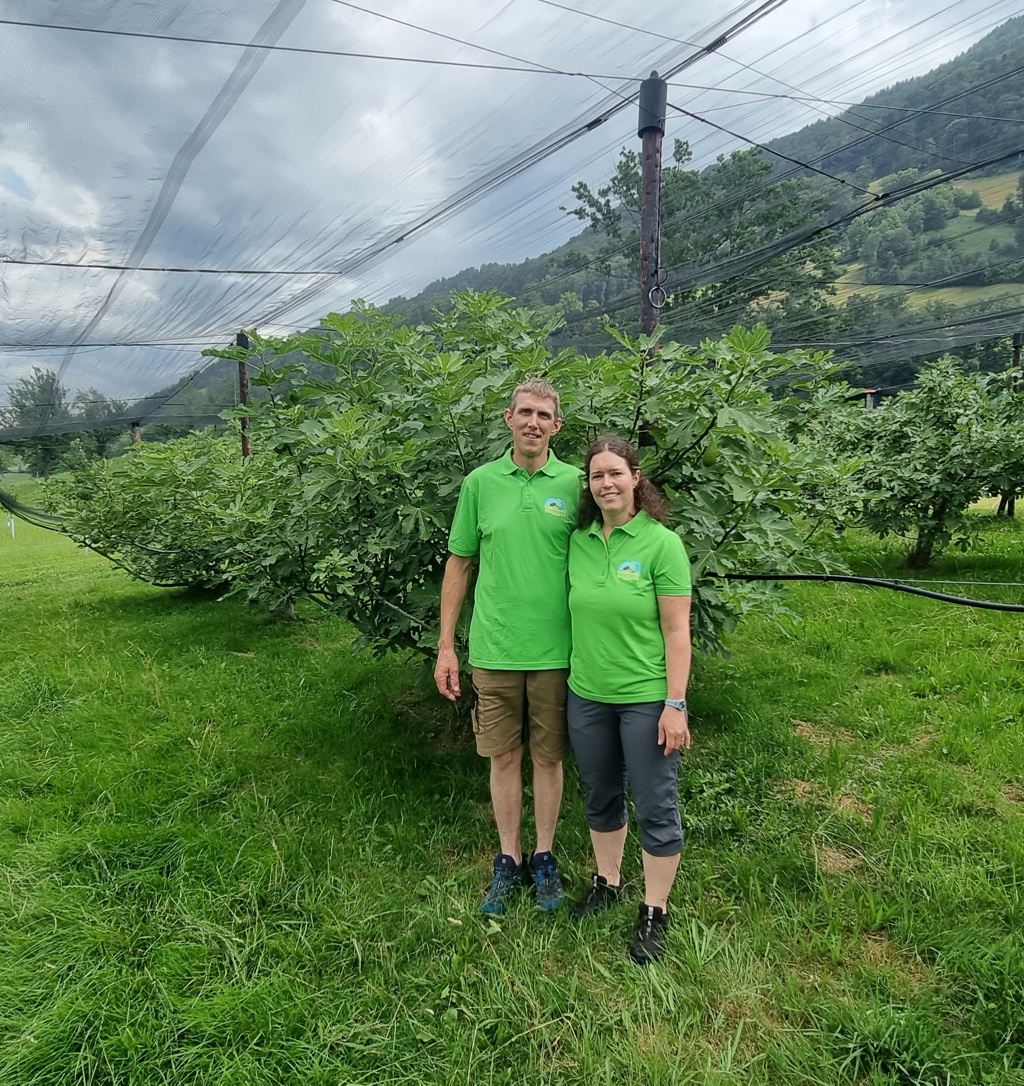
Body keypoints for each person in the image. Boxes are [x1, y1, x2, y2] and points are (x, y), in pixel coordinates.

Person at [435, 378, 581, 915]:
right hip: (494, 649)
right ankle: (507, 858)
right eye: (525, 412)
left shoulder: (575, 484)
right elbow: (459, 564)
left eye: (544, 415)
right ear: (508, 418)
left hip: (557, 652)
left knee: (548, 757)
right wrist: (446, 646)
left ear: (556, 425)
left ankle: (543, 856)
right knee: (503, 756)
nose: (533, 423)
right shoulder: (481, 484)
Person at [566, 437, 693, 964]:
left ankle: (655, 910)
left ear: (636, 478)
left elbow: (677, 631)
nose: (607, 483)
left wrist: (675, 704)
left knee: (656, 805)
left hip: (645, 698)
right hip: (587, 695)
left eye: (615, 473)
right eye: (597, 475)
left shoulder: (662, 545)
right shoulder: (579, 541)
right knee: (601, 795)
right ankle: (608, 881)